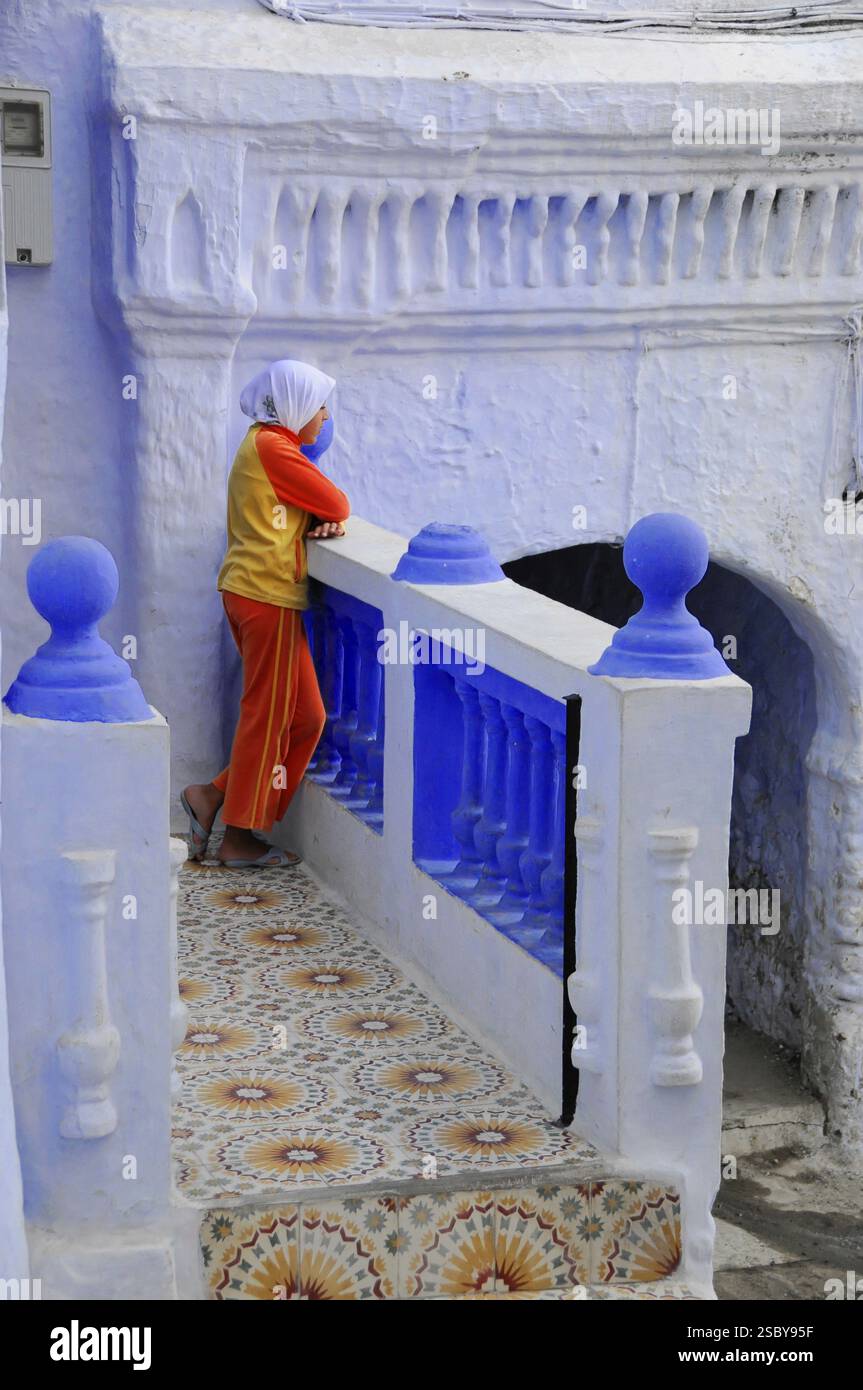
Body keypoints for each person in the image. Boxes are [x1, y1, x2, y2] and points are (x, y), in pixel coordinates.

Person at [181, 359, 349, 866]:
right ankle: (238, 838)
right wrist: (326, 518)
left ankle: (211, 796)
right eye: (318, 405)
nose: (323, 417)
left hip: (256, 593)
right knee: (267, 717)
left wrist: (315, 519)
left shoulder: (264, 443)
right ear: (295, 405)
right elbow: (336, 502)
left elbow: (309, 508)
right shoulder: (276, 448)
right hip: (265, 597)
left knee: (305, 718)